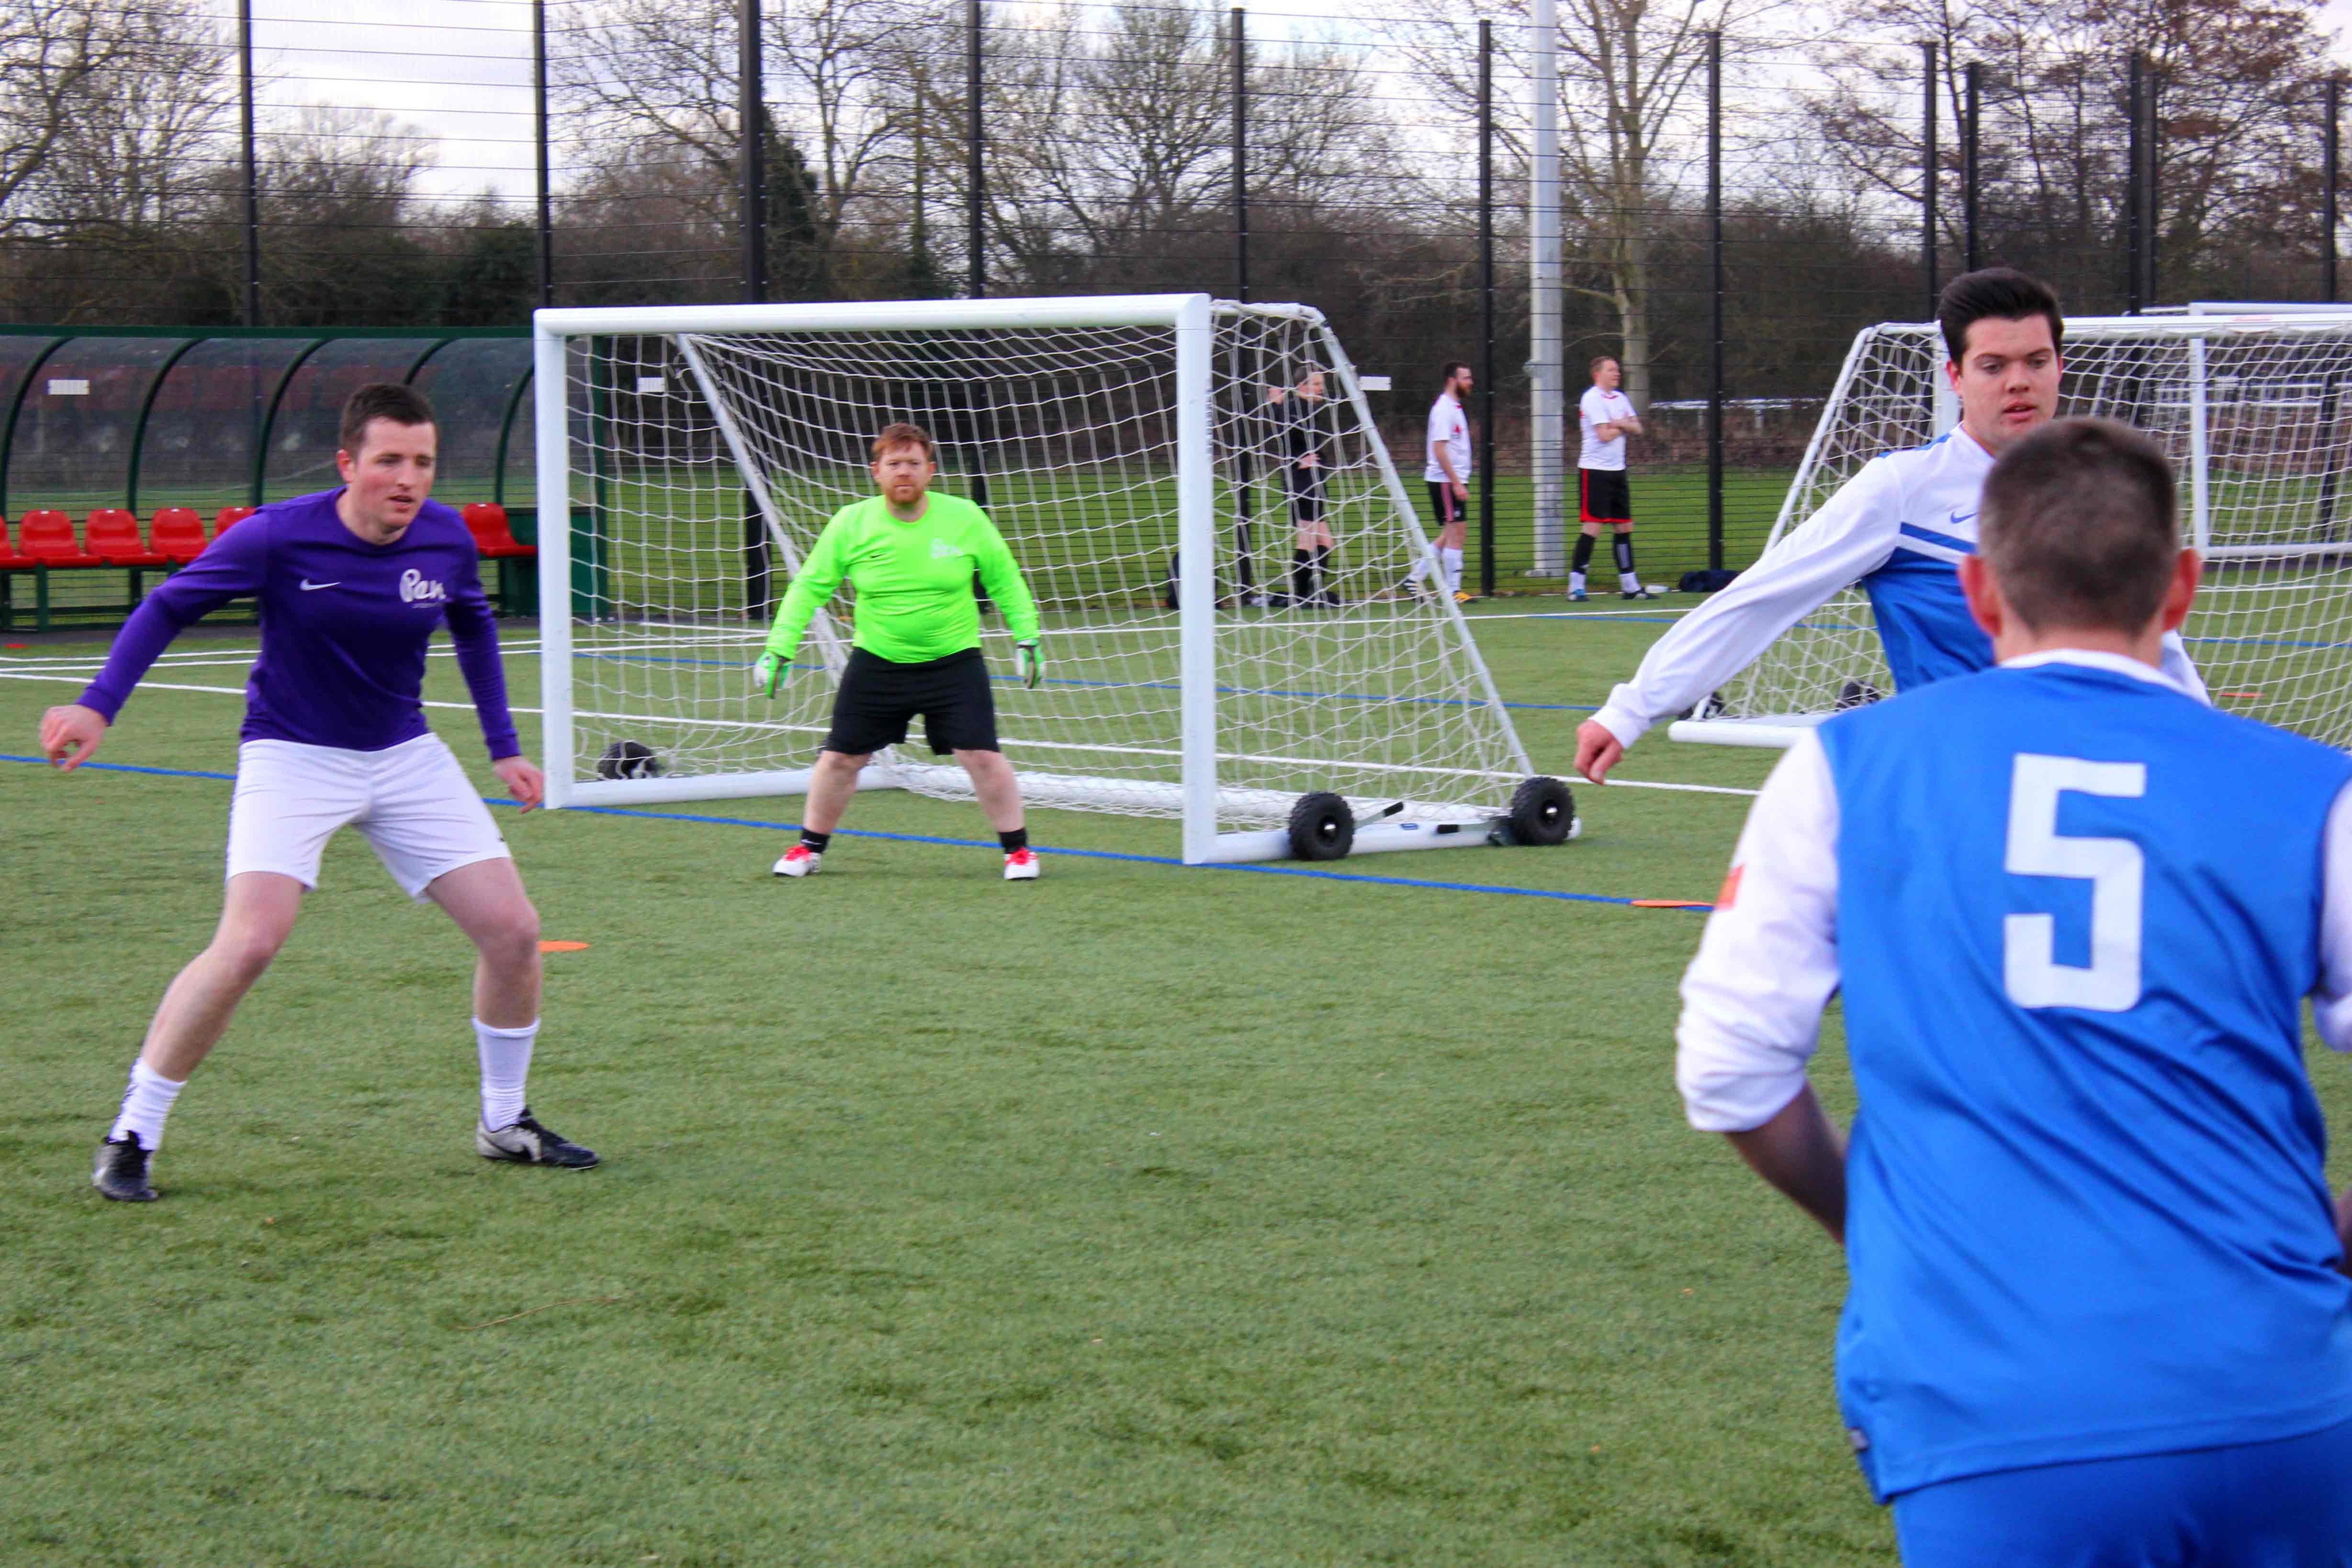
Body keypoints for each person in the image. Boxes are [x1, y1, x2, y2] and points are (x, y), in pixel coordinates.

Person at [1677, 416, 2352, 1564]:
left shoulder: (1842, 766)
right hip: (2279, 1390)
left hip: (1994, 1397)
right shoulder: (2312, 788)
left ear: (1978, 592)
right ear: (2178, 587)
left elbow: (1728, 1073)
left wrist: (1874, 1229)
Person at [45, 381, 596, 1204]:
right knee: (252, 942)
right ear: (348, 464)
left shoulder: (446, 539)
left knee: (514, 931)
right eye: (388, 461)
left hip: (404, 755)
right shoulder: (276, 537)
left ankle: (503, 1120)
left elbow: (474, 624)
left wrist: (504, 749)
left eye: (423, 462)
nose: (407, 479)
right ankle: (135, 1130)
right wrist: (98, 704)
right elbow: (166, 607)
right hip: (292, 757)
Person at [1574, 267, 2207, 784]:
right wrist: (1631, 709)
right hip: (1961, 787)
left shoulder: (2105, 488)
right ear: (1956, 377)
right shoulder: (1901, 490)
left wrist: (2206, 752)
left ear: (2059, 367)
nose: (2019, 382)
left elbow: (2159, 649)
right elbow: (1761, 599)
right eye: (1993, 366)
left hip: (2111, 780)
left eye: (2035, 361)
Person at [755, 423, 1044, 882]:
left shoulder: (965, 517)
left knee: (982, 755)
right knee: (840, 758)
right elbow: (810, 587)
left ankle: (1019, 852)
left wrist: (1027, 638)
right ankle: (808, 848)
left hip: (954, 663)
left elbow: (1005, 579)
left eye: (913, 464)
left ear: (930, 471)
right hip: (878, 663)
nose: (903, 473)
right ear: (877, 472)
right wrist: (779, 649)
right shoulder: (851, 523)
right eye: (893, 464)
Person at [1570, 355, 1654, 601]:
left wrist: (1618, 423)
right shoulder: (1591, 398)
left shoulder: (1621, 398)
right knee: (1593, 527)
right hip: (1594, 471)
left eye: (1617, 370)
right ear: (1598, 374)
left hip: (1618, 470)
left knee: (1624, 526)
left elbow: (1638, 428)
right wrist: (1624, 425)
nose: (1617, 374)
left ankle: (1630, 586)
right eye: (1611, 370)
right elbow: (1604, 436)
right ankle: (1576, 587)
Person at [1268, 366, 1339, 608]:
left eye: (1322, 384)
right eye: (1317, 384)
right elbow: (1284, 435)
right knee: (1308, 539)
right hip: (1301, 482)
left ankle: (1310, 591)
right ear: (1302, 387)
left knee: (1325, 541)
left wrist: (1275, 406)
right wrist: (1299, 460)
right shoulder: (1296, 407)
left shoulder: (1305, 409)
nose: (1321, 389)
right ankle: (1303, 595)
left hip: (1313, 479)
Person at [1407, 359, 1474, 602]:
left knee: (1451, 533)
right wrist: (1456, 482)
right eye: (1465, 378)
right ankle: (1452, 590)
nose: (1470, 382)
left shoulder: (1454, 407)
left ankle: (1415, 578)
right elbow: (1439, 449)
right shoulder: (1444, 409)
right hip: (1445, 480)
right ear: (1452, 380)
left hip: (1452, 479)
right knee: (1457, 531)